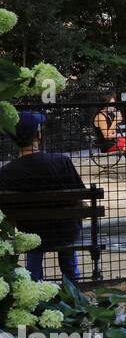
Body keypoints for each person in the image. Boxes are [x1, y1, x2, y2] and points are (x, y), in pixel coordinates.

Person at [0, 112, 85, 280]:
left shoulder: (5, 173)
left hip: (32, 234)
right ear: (38, 135)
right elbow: (78, 198)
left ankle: (35, 281)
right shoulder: (61, 161)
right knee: (69, 223)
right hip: (65, 232)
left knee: (33, 237)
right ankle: (71, 282)